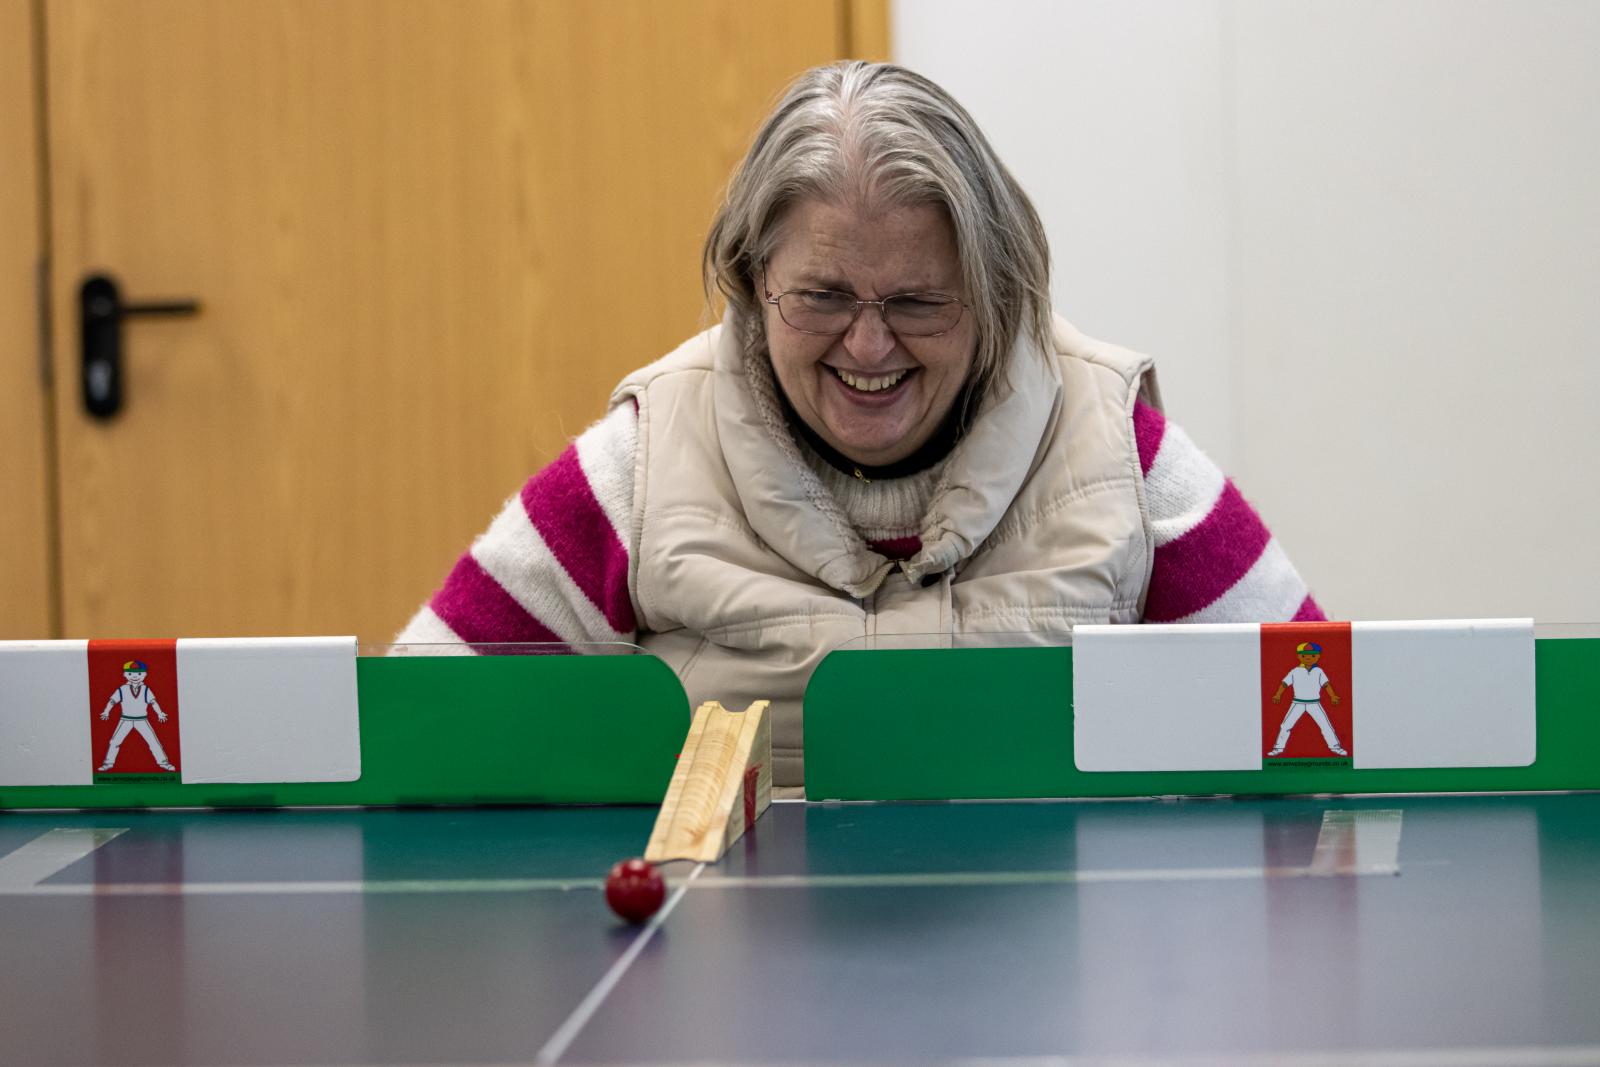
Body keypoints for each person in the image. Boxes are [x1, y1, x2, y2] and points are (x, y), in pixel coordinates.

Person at [397, 61, 1324, 788]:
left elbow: (1314, 731)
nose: (870, 346)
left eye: (920, 302)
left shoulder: (1123, 456)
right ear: (755, 284)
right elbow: (420, 717)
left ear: (994, 294)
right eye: (823, 296)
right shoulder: (636, 473)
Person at [1267, 642, 1347, 757]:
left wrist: (1333, 696)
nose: (1308, 658)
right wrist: (1278, 695)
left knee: (1325, 725)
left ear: (1318, 656)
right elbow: (1284, 683)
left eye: (1312, 655)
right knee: (1286, 725)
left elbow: (1326, 685)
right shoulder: (1295, 671)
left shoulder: (1319, 671)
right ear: (1299, 656)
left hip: (1314, 703)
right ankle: (1278, 748)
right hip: (1297, 703)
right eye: (1304, 655)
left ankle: (1336, 747)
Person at [98, 659, 176, 772]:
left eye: (139, 673)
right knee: (115, 741)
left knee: (153, 741)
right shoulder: (122, 689)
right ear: (125, 675)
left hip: (142, 720)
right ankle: (108, 764)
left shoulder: (145, 689)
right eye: (130, 674)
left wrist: (159, 713)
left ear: (144, 675)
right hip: (125, 719)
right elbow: (112, 701)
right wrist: (106, 711)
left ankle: (164, 763)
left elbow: (153, 702)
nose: (135, 676)